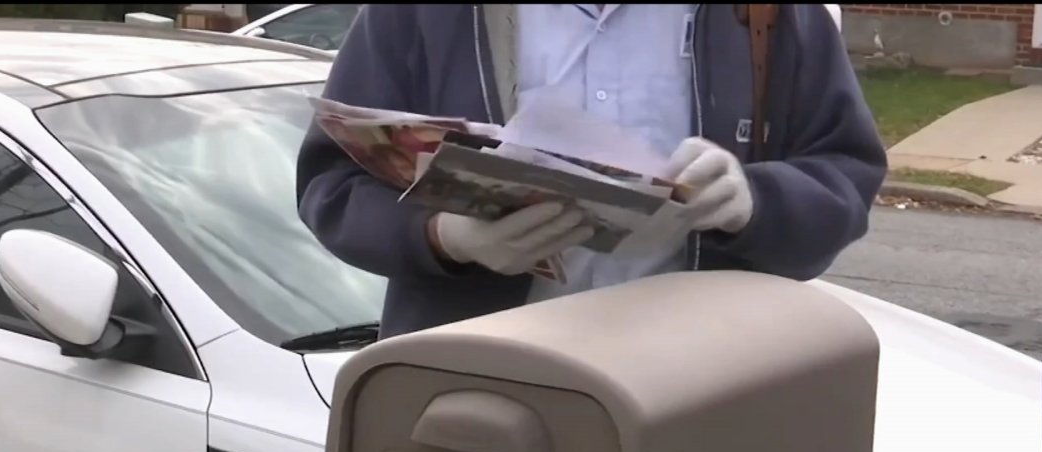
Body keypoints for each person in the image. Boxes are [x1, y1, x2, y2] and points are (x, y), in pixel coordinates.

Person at [297, 4, 888, 338]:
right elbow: (333, 182)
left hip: (704, 382)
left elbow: (845, 168)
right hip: (484, 391)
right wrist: (445, 238)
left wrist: (756, 202)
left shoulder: (768, 12)